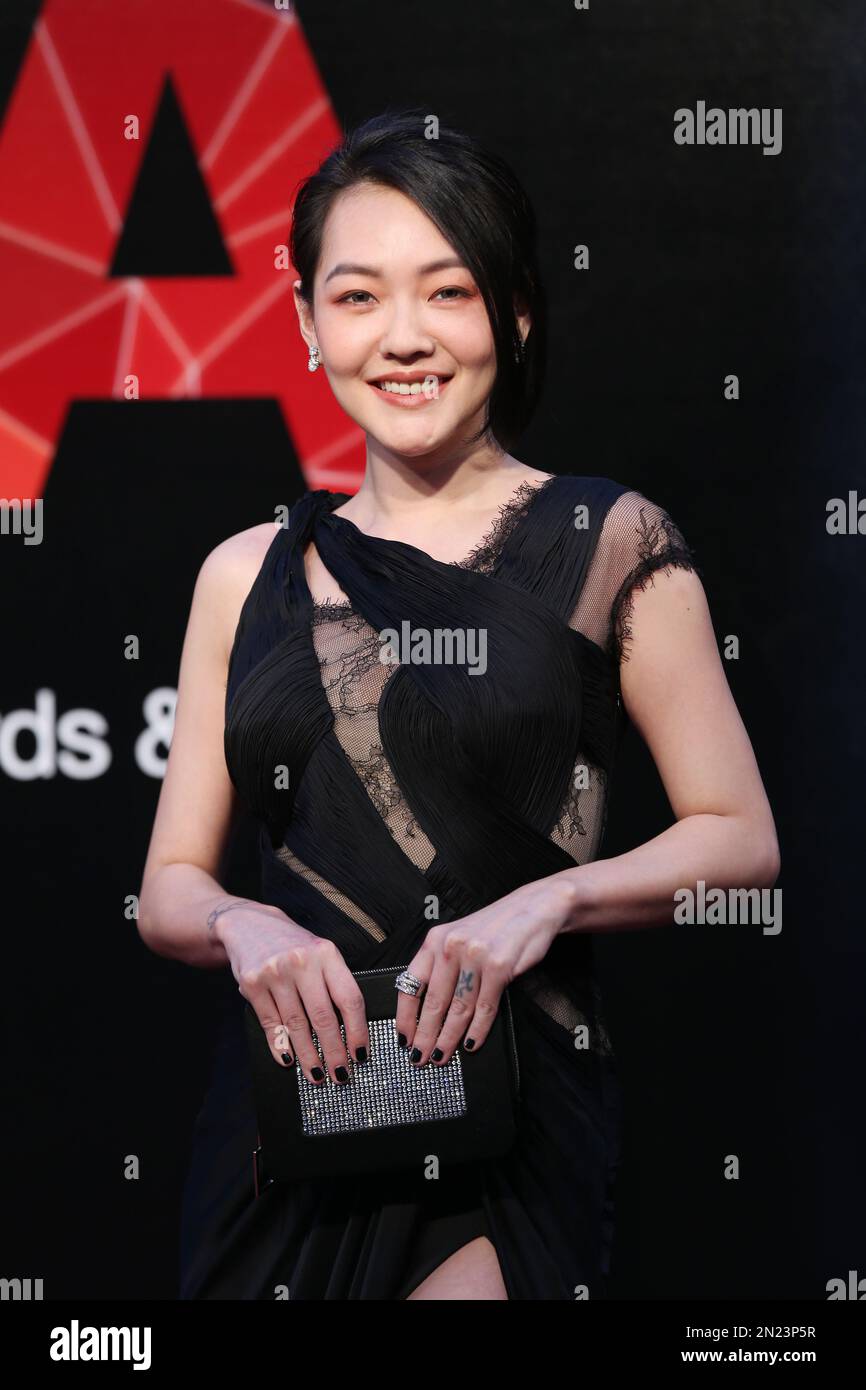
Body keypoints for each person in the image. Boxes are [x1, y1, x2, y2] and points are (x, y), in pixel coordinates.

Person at [137, 108, 780, 1301]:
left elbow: (738, 841)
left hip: (505, 1115)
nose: (401, 337)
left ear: (516, 309)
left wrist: (546, 902)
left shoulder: (606, 540)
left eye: (447, 291)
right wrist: (243, 927)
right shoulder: (243, 573)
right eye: (357, 297)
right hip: (291, 1117)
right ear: (307, 327)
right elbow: (170, 883)